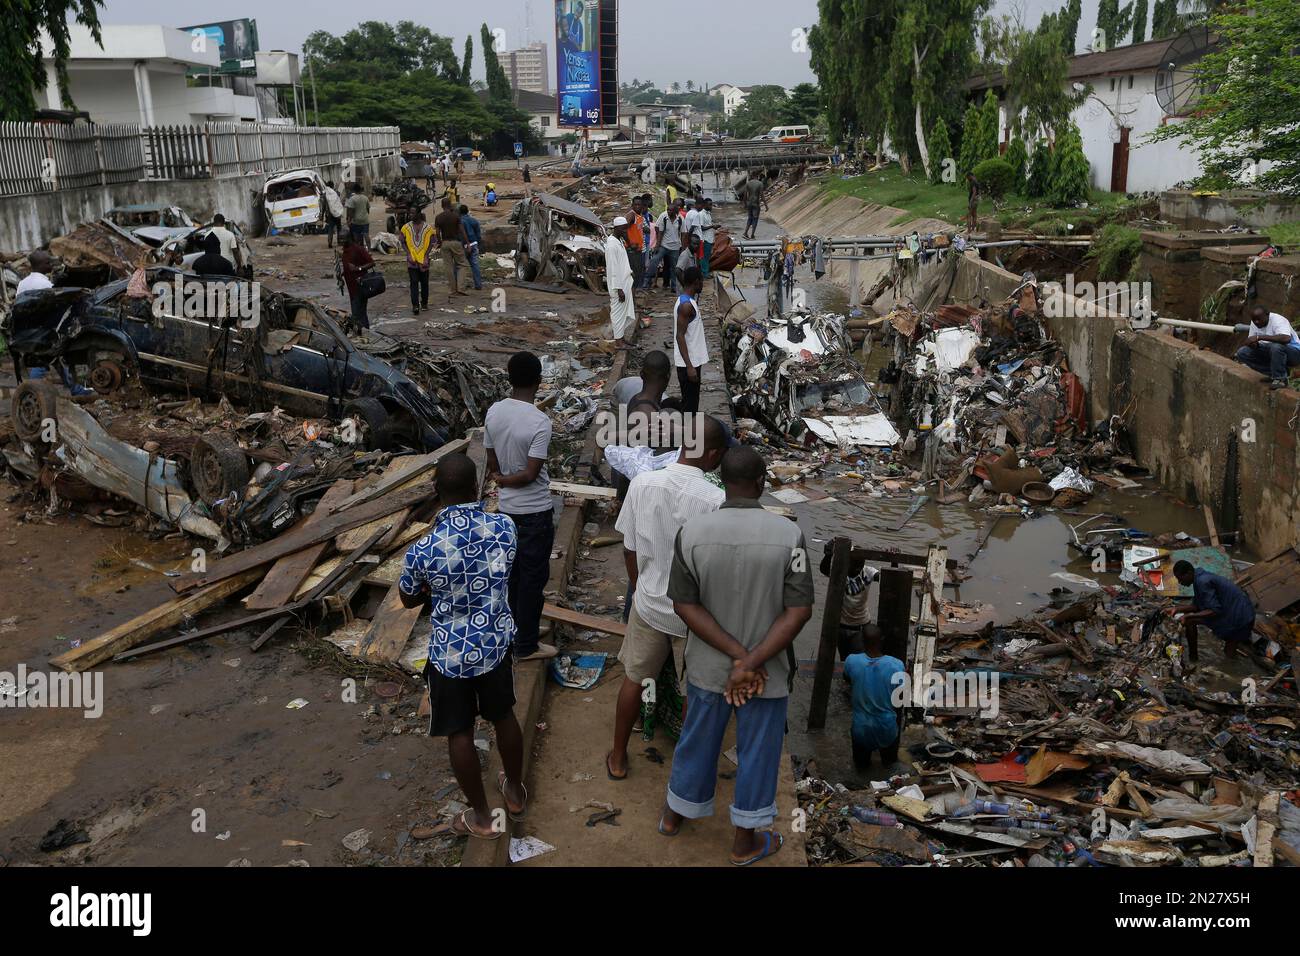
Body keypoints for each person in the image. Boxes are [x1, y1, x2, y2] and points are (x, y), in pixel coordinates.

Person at [661, 446, 814, 865]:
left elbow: (685, 605)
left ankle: (675, 816)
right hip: (768, 672)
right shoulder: (790, 537)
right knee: (758, 752)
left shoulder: (691, 534)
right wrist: (751, 661)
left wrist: (733, 656)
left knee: (698, 740)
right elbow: (799, 610)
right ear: (762, 482)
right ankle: (744, 842)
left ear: (721, 481)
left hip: (710, 667)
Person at [399, 453, 528, 840]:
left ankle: (484, 818)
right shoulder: (504, 527)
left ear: (437, 492)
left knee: (460, 732)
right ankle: (516, 792)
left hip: (450, 656)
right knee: (503, 715)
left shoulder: (424, 549)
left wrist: (431, 587)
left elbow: (407, 598)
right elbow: (505, 570)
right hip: (494, 644)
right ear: (476, 487)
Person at [606, 415, 728, 780]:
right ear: (713, 455)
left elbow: (628, 547)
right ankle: (686, 771)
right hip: (695, 615)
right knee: (694, 690)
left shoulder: (642, 483)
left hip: (649, 603)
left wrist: (640, 585)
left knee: (634, 678)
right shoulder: (717, 500)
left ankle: (617, 756)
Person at [485, 352, 557, 662]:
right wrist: (507, 480)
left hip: (506, 513)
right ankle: (526, 644)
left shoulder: (494, 412)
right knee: (532, 580)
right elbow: (529, 475)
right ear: (539, 382)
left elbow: (491, 461)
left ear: (509, 379)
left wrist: (501, 479)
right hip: (535, 513)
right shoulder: (540, 421)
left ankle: (516, 631)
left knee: (512, 578)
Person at [843, 625, 906, 772]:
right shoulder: (896, 665)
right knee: (890, 767)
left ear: (862, 641)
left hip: (861, 728)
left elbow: (847, 678)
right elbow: (901, 698)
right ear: (882, 640)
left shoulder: (852, 661)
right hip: (886, 726)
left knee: (861, 768)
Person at [1169, 560, 1260, 659]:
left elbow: (1214, 610)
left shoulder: (1202, 581)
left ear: (1189, 573)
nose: (1180, 582)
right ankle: (1198, 658)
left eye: (1180, 579)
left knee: (1190, 621)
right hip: (1240, 613)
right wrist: (1177, 609)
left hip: (1240, 617)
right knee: (1229, 650)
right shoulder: (1199, 578)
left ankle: (1194, 658)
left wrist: (1188, 615)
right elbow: (1197, 606)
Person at [820, 543, 880, 664]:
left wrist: (894, 563)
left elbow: (887, 579)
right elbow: (824, 569)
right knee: (845, 660)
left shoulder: (868, 572)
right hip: (841, 625)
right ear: (847, 562)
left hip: (861, 625)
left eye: (861, 564)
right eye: (855, 565)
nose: (858, 568)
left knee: (859, 661)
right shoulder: (839, 572)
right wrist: (828, 555)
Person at [1235, 306, 1300, 390]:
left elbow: (1286, 338)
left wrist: (1259, 337)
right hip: (1272, 351)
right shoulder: (1254, 322)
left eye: (1259, 319)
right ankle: (1274, 375)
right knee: (1242, 352)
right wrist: (1252, 344)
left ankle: (1281, 379)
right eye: (1254, 320)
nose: (1256, 322)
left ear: (1267, 315)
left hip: (1294, 353)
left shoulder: (1278, 320)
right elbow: (1255, 342)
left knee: (1276, 346)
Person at [674, 266, 708, 414]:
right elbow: (679, 336)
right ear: (696, 282)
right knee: (690, 407)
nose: (703, 284)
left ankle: (689, 433)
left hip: (693, 361)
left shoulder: (688, 301)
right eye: (702, 281)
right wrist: (689, 367)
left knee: (691, 403)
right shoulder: (686, 306)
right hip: (689, 363)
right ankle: (689, 435)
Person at [604, 216, 637, 342]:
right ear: (616, 228)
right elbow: (613, 269)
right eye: (623, 230)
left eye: (626, 229)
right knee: (618, 314)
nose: (625, 232)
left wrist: (630, 271)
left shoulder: (619, 241)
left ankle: (621, 338)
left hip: (625, 282)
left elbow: (622, 262)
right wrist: (619, 289)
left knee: (623, 314)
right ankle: (618, 341)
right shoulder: (612, 245)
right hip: (618, 286)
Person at [434, 198, 471, 298]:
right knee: (462, 264)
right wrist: (467, 243)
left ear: (442, 206)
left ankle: (453, 290)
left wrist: (439, 242)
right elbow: (462, 230)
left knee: (449, 267)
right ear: (450, 205)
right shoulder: (456, 216)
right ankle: (461, 288)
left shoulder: (438, 217)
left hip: (445, 243)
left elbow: (437, 232)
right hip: (456, 242)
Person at [400, 211, 435, 315]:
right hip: (412, 262)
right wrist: (408, 254)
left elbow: (432, 242)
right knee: (414, 283)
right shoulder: (405, 227)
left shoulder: (428, 228)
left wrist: (426, 255)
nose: (411, 214)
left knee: (424, 283)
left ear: (419, 214)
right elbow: (402, 242)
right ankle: (415, 305)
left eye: (413, 212)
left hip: (424, 261)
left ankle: (424, 303)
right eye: (411, 212)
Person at [339, 234, 374, 329]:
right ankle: (363, 333)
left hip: (360, 286)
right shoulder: (345, 251)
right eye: (340, 238)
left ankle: (364, 333)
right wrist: (343, 274)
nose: (341, 241)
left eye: (343, 238)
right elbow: (348, 267)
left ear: (349, 238)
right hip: (351, 287)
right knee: (359, 313)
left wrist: (358, 268)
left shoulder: (358, 249)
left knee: (358, 313)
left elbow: (371, 263)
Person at [649, 200, 684, 292]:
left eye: (671, 210)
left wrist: (683, 247)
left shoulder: (680, 219)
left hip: (675, 247)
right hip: (663, 246)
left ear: (675, 211)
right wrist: (658, 244)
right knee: (654, 261)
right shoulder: (663, 216)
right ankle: (646, 282)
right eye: (668, 210)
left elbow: (684, 233)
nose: (669, 212)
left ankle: (673, 287)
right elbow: (658, 229)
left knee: (674, 268)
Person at [459, 204, 484, 291]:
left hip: (465, 245)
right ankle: (478, 285)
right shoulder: (474, 220)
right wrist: (478, 243)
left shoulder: (460, 221)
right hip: (474, 243)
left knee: (460, 265)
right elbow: (478, 234)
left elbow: (461, 235)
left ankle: (459, 285)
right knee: (475, 265)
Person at [625, 199, 647, 291]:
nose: (637, 206)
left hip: (639, 248)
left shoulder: (639, 216)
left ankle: (636, 292)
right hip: (632, 250)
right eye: (635, 205)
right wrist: (630, 243)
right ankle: (633, 292)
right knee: (634, 271)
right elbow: (623, 229)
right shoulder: (631, 215)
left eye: (639, 205)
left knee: (639, 271)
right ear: (632, 205)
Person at [742, 176, 766, 241]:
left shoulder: (748, 183)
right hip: (756, 204)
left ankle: (745, 233)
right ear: (758, 176)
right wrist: (766, 205)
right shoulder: (760, 183)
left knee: (750, 218)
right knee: (755, 219)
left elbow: (745, 195)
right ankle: (752, 235)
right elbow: (762, 195)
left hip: (749, 203)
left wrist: (744, 204)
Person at [322, 181, 345, 248]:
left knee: (330, 228)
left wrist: (322, 215)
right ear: (332, 186)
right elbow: (339, 203)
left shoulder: (324, 195)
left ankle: (330, 242)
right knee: (339, 228)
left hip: (329, 215)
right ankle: (339, 241)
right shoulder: (336, 193)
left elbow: (323, 206)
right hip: (337, 214)